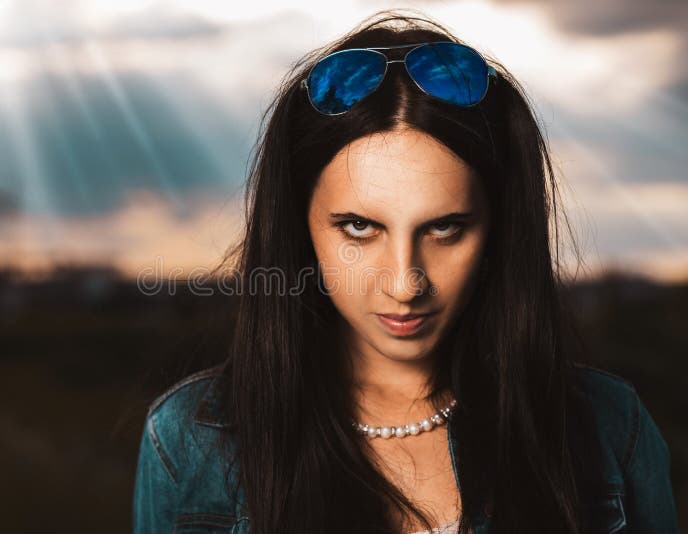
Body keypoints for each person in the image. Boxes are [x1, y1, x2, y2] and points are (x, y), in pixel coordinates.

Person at [132, 11, 679, 534]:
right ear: (301, 231)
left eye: (445, 229)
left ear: (498, 230)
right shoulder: (187, 441)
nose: (405, 283)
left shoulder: (609, 427)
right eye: (359, 228)